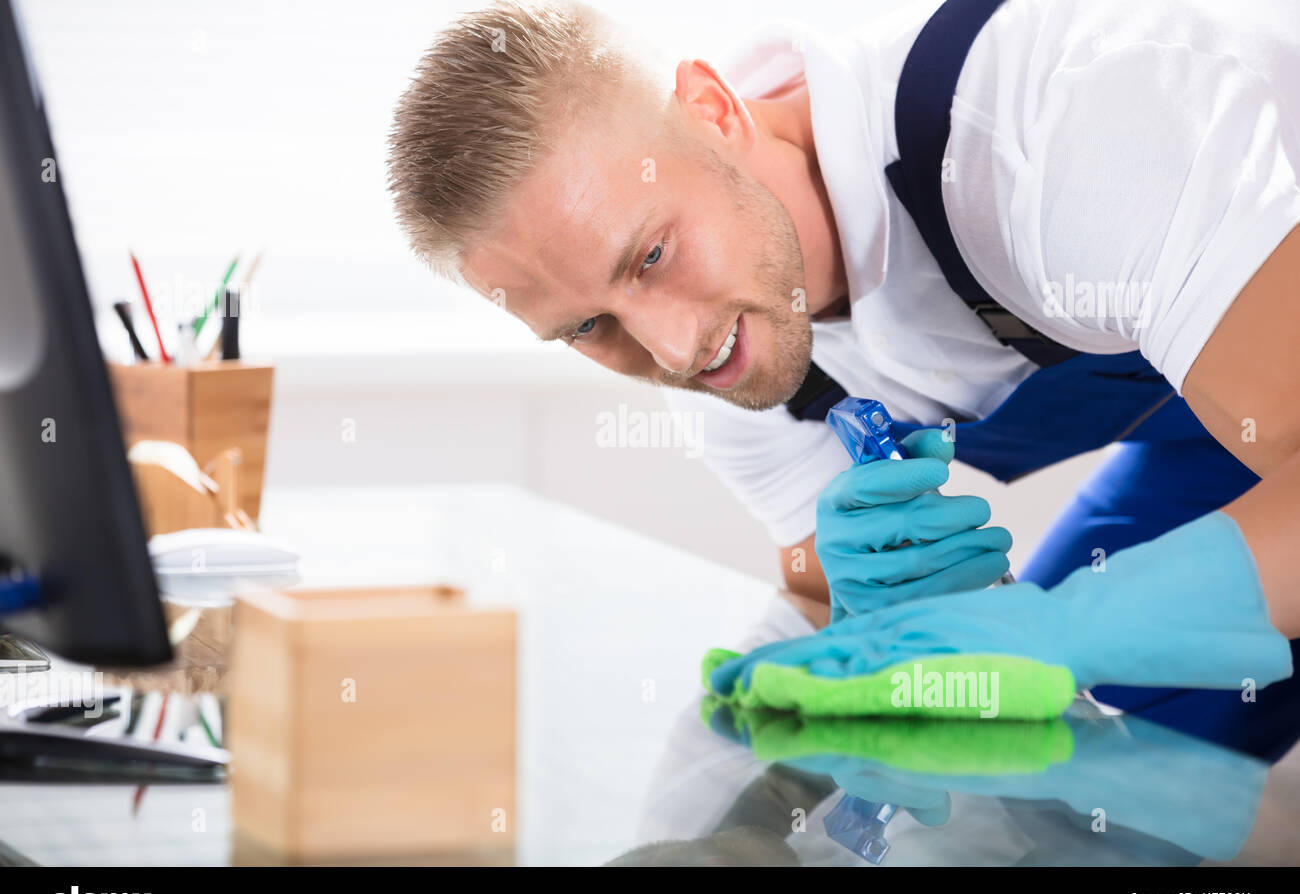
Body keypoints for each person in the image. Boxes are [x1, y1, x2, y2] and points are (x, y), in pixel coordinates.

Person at [386, 0, 1300, 757]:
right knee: (1096, 773)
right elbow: (827, 602)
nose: (670, 351)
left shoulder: (1050, 129)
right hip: (1213, 419)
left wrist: (1067, 630)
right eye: (588, 326)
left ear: (712, 109)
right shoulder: (737, 364)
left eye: (652, 255)